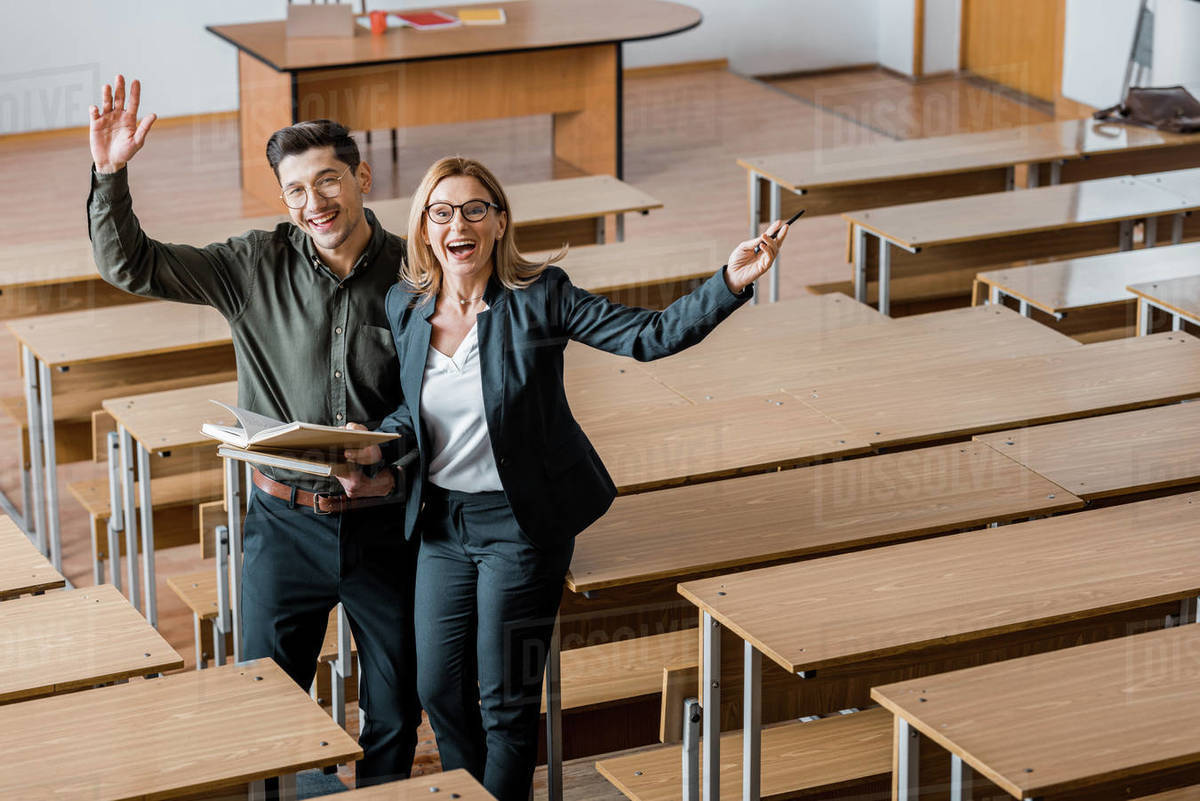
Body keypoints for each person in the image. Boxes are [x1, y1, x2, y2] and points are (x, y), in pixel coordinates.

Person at [340, 156, 789, 801]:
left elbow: (650, 336)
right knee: (437, 687)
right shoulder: (407, 304)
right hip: (441, 522)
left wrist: (728, 281)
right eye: (441, 213)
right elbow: (411, 409)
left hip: (520, 527)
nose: (457, 224)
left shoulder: (541, 297)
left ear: (498, 223)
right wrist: (374, 448)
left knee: (506, 702)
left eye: (474, 210)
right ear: (424, 228)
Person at [86, 75, 420, 786]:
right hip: (284, 525)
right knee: (266, 707)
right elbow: (131, 263)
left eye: (328, 181)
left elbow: (445, 398)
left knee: (395, 708)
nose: (314, 203)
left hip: (387, 524)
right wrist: (111, 173)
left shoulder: (414, 272)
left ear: (361, 177)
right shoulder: (251, 265)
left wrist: (391, 445)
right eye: (295, 190)